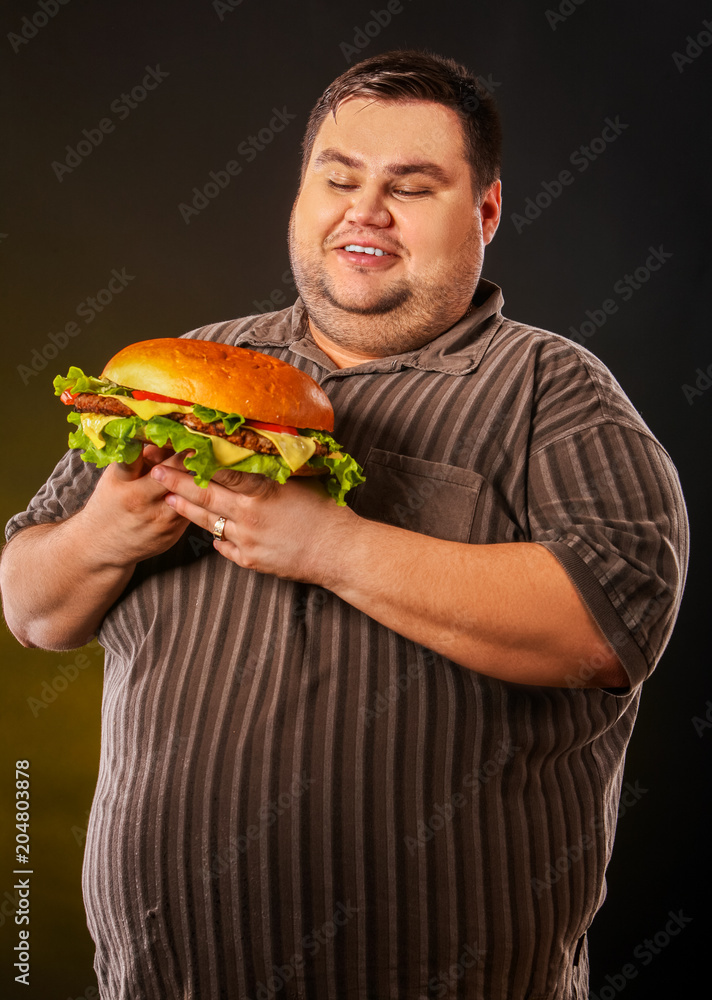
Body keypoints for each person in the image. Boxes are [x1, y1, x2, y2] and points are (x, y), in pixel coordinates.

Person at [1, 50, 688, 1000]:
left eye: (411, 187)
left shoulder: (553, 392)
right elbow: (30, 607)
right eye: (339, 179)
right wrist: (103, 535)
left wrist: (332, 545)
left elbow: (610, 628)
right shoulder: (185, 372)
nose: (365, 210)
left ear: (485, 212)